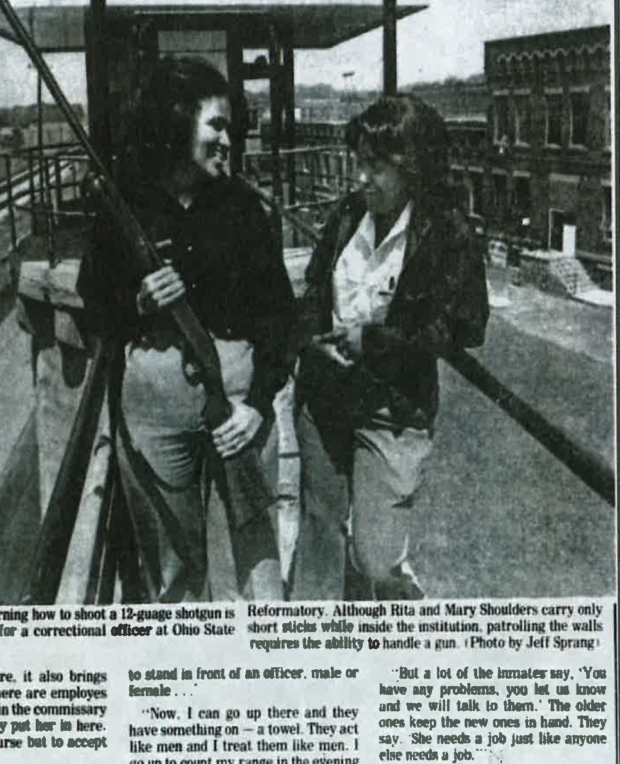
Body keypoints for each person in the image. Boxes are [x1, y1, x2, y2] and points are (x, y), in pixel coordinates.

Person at [78, 56, 297, 602]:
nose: (229, 139)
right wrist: (139, 301)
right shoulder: (124, 207)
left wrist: (258, 407)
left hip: (239, 403)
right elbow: (95, 306)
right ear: (176, 124)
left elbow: (279, 317)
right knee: (173, 575)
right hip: (153, 406)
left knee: (259, 571)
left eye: (230, 127)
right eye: (216, 126)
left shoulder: (246, 208)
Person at [292, 94, 489, 600]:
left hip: (391, 410)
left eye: (375, 167)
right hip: (325, 399)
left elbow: (464, 327)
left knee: (376, 561)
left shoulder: (448, 233)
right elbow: (315, 289)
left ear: (413, 167)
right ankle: (303, 659)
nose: (361, 178)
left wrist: (374, 342)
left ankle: (399, 613)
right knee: (319, 534)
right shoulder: (348, 215)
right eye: (359, 163)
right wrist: (314, 340)